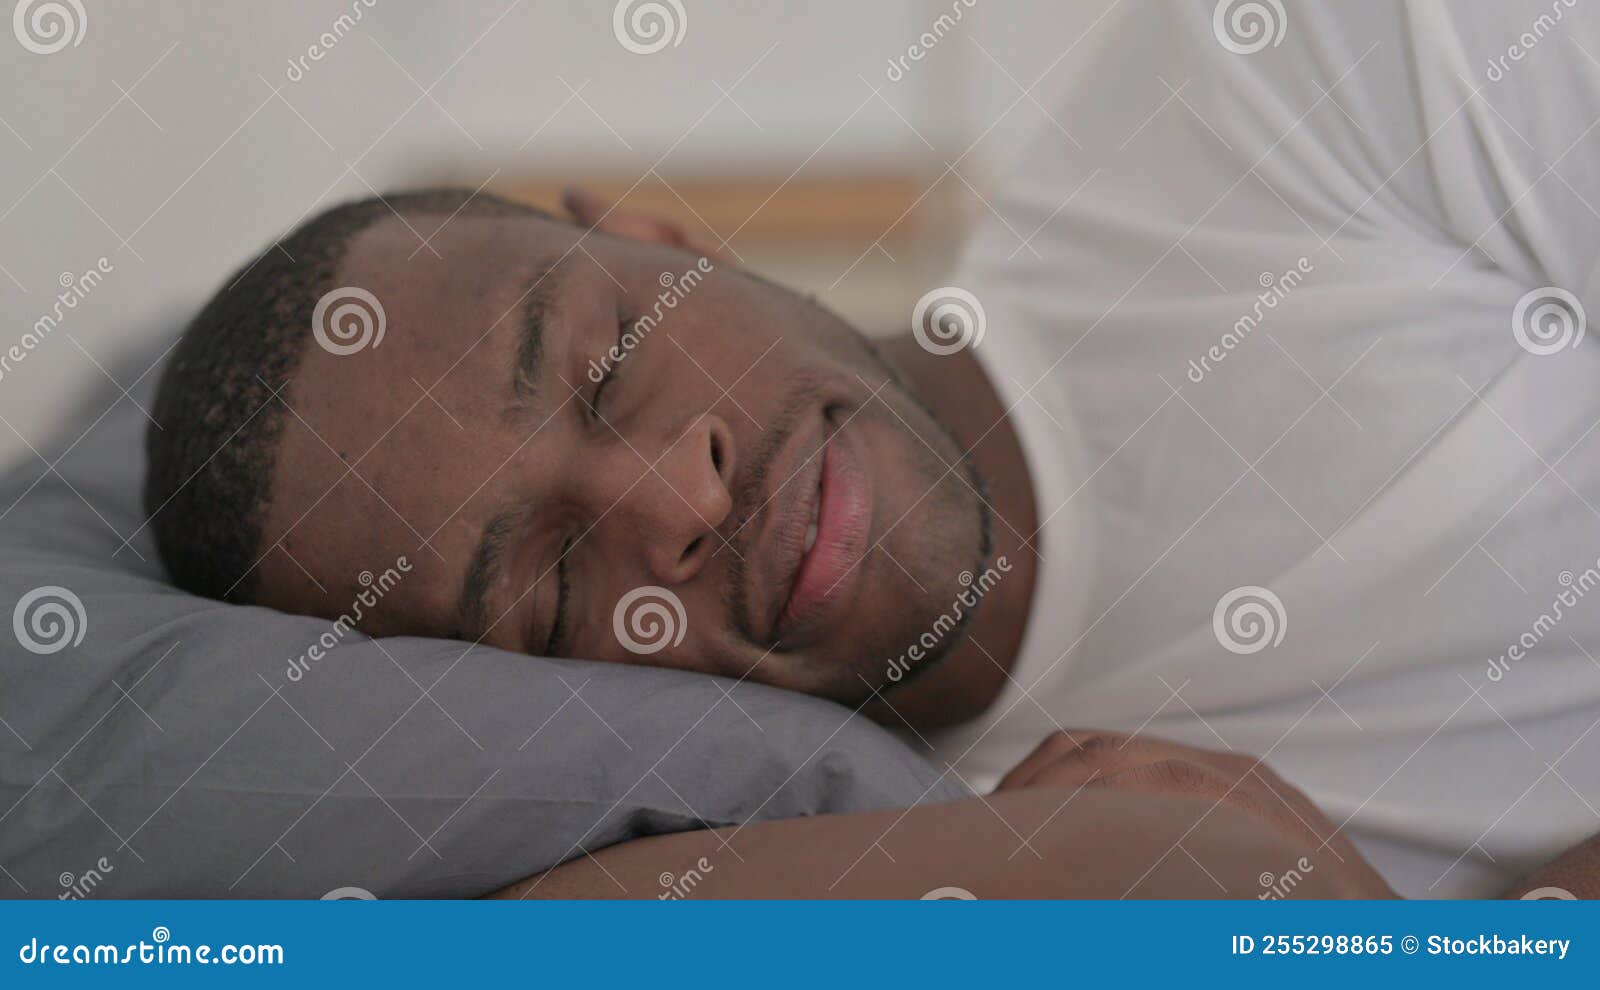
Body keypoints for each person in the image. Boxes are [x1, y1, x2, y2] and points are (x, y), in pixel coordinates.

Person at [146, 1, 1600, 897]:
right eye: (543, 592)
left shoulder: (1279, 86)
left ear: (658, 235)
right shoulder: (961, 887)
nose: (675, 493)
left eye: (605, 365)